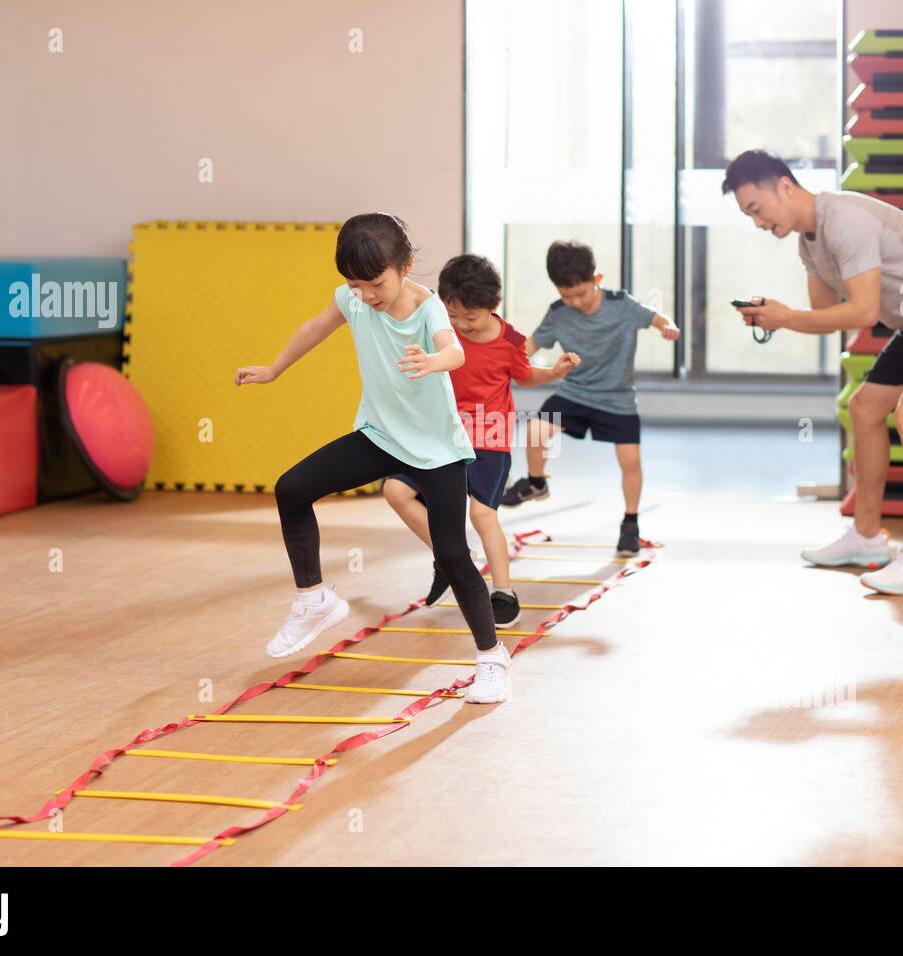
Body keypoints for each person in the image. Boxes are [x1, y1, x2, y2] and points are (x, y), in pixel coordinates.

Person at [234, 213, 510, 703]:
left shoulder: (427, 309)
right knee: (291, 488)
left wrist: (432, 361)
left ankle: (492, 658)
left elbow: (455, 353)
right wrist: (274, 369)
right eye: (353, 285)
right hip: (379, 435)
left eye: (374, 283)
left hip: (434, 450)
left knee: (451, 554)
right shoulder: (354, 301)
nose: (364, 295)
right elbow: (316, 327)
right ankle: (314, 599)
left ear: (403, 267)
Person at [723, 149, 903, 595]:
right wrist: (774, 315)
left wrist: (786, 317)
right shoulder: (807, 240)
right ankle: (867, 538)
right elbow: (823, 313)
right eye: (747, 216)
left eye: (756, 208)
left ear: (784, 186)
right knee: (864, 407)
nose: (756, 222)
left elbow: (863, 312)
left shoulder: (843, 219)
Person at [383, 253, 579, 627]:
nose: (460, 325)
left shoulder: (510, 340)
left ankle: (503, 592)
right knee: (396, 491)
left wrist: (553, 371)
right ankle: (451, 556)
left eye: (469, 318)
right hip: (440, 437)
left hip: (489, 441)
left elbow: (523, 375)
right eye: (452, 315)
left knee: (482, 514)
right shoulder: (441, 330)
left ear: (492, 306)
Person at [500, 240, 680, 557]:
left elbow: (655, 318)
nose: (575, 301)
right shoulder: (558, 314)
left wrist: (669, 327)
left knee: (630, 462)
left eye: (581, 293)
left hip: (617, 399)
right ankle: (536, 483)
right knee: (537, 430)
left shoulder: (622, 305)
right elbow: (528, 346)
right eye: (566, 296)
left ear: (597, 279)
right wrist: (501, 360)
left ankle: (630, 522)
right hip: (575, 393)